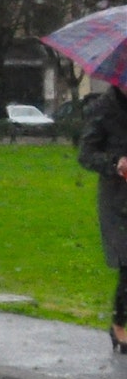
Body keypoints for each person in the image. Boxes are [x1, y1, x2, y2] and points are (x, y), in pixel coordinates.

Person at [78, 84, 127, 353]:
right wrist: (115, 163)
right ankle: (119, 324)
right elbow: (86, 154)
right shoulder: (103, 109)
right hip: (118, 201)